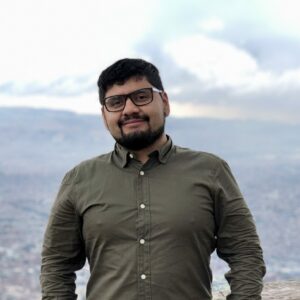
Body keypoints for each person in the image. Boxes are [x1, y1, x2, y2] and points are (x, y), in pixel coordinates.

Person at [40, 58, 266, 299]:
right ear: (105, 116)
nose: (129, 110)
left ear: (165, 103)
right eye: (115, 102)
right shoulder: (79, 180)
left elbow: (245, 252)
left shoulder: (210, 170)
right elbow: (57, 264)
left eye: (141, 96)